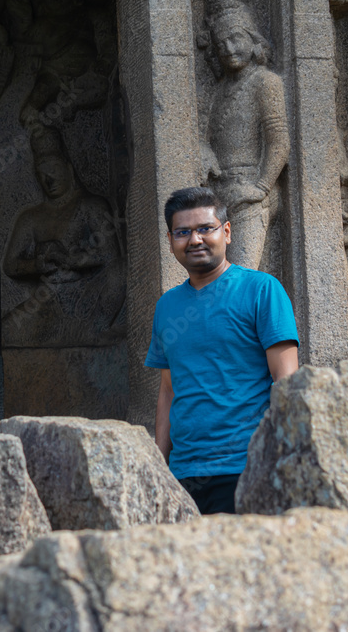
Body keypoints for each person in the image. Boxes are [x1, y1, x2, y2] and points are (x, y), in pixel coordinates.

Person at [145, 187, 298, 514]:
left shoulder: (261, 291)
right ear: (171, 240)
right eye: (183, 232)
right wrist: (158, 466)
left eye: (205, 229)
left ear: (226, 232)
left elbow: (286, 382)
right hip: (182, 474)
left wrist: (279, 458)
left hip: (246, 466)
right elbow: (169, 391)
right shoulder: (167, 307)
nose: (195, 240)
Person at [2, 127, 124, 347]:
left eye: (54, 169)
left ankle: (96, 329)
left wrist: (71, 259)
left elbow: (110, 255)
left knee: (120, 271)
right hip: (48, 297)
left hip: (87, 292)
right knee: (5, 334)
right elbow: (11, 265)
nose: (49, 179)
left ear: (69, 169)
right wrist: (37, 264)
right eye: (42, 174)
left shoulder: (90, 206)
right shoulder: (31, 218)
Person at [200, 0, 289, 271]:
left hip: (248, 191)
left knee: (242, 276)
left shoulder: (265, 82)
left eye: (236, 38)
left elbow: (279, 140)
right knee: (218, 279)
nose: (229, 49)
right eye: (221, 43)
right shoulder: (220, 90)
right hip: (218, 193)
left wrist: (260, 187)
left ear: (253, 40)